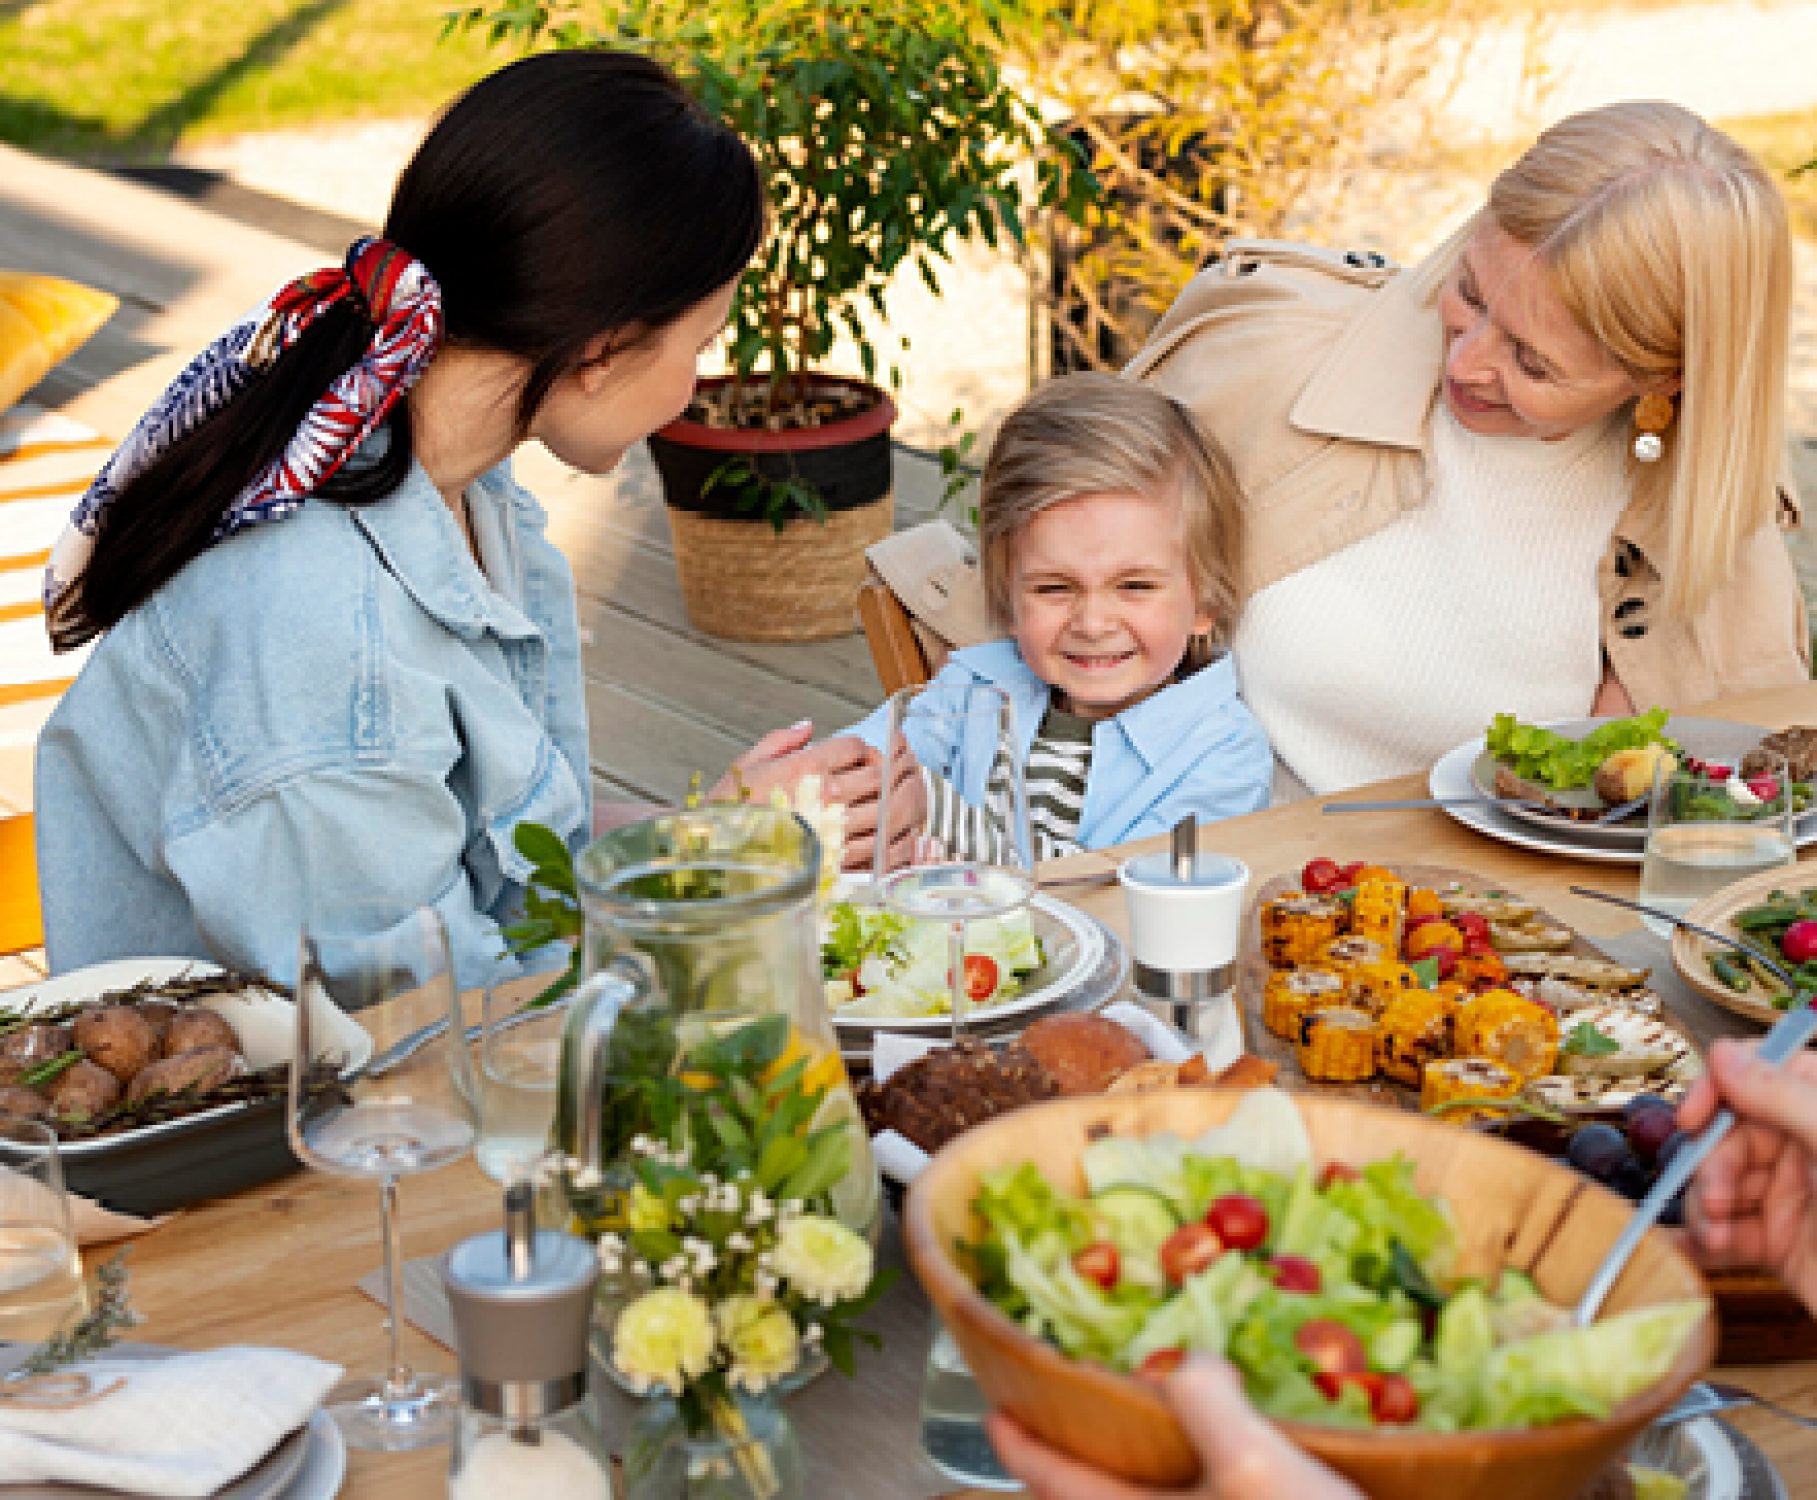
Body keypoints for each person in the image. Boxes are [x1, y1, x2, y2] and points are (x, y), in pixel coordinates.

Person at [33, 51, 889, 989]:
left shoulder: (460, 494)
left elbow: (508, 869)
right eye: (702, 343)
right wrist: (707, 867)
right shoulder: (323, 632)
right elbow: (404, 1026)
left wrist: (716, 832)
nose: (693, 389)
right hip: (298, 1117)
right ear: (601, 351)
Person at [1130, 101, 1810, 796]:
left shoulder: (1717, 539)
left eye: (1532, 362)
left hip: (1506, 901)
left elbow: (1728, 842)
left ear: (1662, 378)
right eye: (1469, 292)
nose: (1464, 363)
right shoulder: (1261, 363)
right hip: (1202, 869)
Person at [849, 372, 1272, 859]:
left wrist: (933, 814)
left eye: (1134, 586)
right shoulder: (969, 687)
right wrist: (831, 783)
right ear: (1008, 599)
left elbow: (1117, 895)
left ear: (1206, 604)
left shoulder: (1223, 756)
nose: (1092, 624)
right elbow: (862, 762)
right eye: (1054, 588)